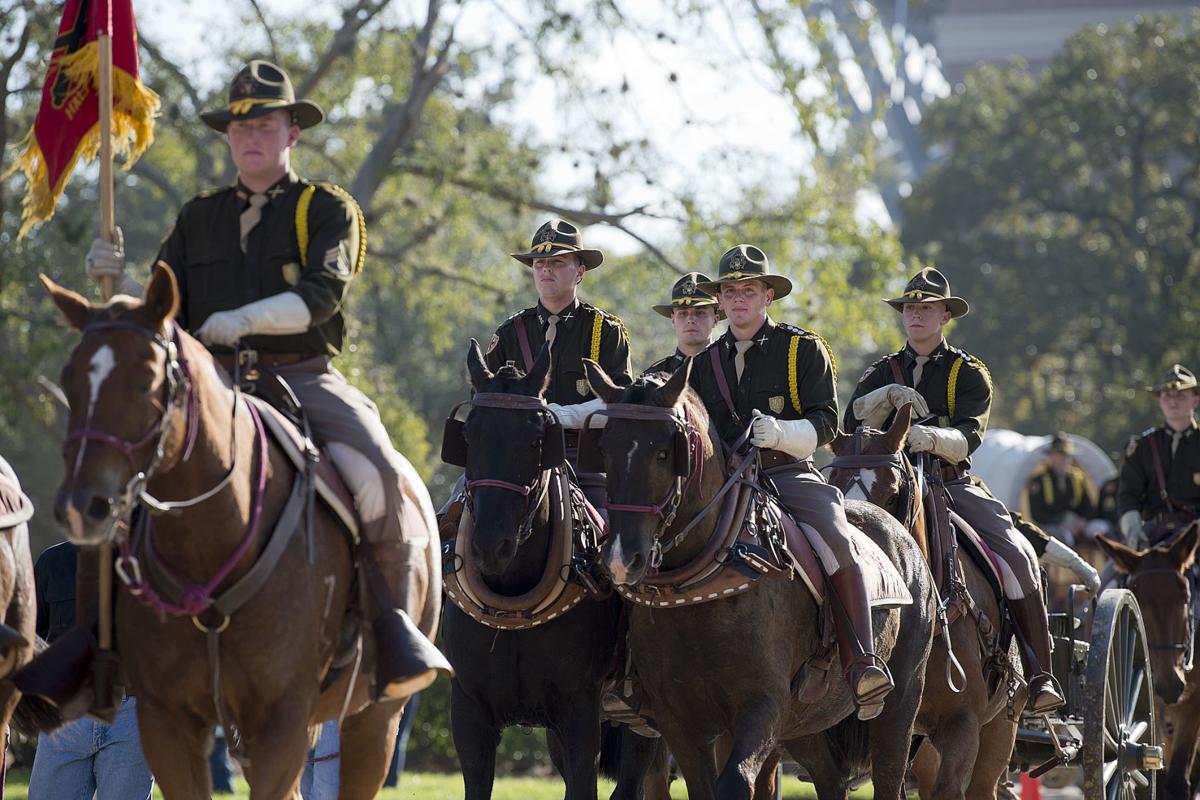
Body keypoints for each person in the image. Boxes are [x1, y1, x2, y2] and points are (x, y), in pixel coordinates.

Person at [74, 59, 451, 703]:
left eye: (267, 124)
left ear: (291, 134)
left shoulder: (326, 209)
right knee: (108, 477)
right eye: (240, 126)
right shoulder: (197, 218)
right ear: (227, 136)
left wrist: (240, 319)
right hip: (207, 389)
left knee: (382, 479)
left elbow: (323, 298)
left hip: (302, 378)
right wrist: (115, 278)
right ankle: (95, 649)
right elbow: (157, 320)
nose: (251, 136)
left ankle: (390, 631)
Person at [844, 266, 1064, 713]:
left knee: (1017, 555)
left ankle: (1041, 674)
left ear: (945, 316)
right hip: (889, 483)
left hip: (950, 484)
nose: (916, 315)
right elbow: (849, 426)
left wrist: (930, 439)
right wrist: (879, 399)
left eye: (926, 308)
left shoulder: (969, 372)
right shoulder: (879, 371)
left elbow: (971, 436)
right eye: (910, 308)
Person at [687, 244, 893, 720]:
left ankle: (861, 659)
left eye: (749, 290)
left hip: (786, 472)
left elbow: (826, 422)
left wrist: (784, 432)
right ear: (719, 300)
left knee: (837, 539)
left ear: (768, 296)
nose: (738, 299)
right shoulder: (702, 362)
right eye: (730, 291)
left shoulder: (802, 348)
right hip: (723, 483)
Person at [438, 218, 633, 528]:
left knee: (611, 540)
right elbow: (481, 403)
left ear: (579, 270)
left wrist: (559, 416)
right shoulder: (510, 332)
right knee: (448, 524)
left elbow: (619, 404)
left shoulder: (604, 331)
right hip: (510, 459)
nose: (545, 270)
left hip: (581, 460)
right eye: (539, 263)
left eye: (557, 262)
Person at [27, 542, 154, 800]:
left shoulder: (148, 564)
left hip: (131, 716)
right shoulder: (51, 562)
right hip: (62, 720)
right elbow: (32, 638)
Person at [1117, 364, 1200, 549]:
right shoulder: (1142, 446)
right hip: (1152, 535)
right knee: (1105, 577)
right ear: (1160, 401)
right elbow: (1128, 494)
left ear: (1196, 400)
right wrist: (1133, 529)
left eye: (1180, 396)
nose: (1173, 402)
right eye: (1167, 396)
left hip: (1196, 536)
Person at [643, 271, 721, 376]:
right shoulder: (652, 378)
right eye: (683, 313)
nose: (690, 319)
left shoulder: (733, 371)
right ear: (673, 320)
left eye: (700, 312)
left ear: (715, 320)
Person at [1026, 433, 1095, 546]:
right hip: (1051, 525)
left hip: (1075, 523)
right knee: (1065, 536)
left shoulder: (1077, 478)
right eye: (1060, 454)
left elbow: (1088, 506)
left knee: (1097, 531)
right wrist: (1060, 523)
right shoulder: (1039, 481)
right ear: (1051, 456)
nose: (1065, 459)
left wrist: (1082, 522)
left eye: (1067, 455)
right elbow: (1037, 513)